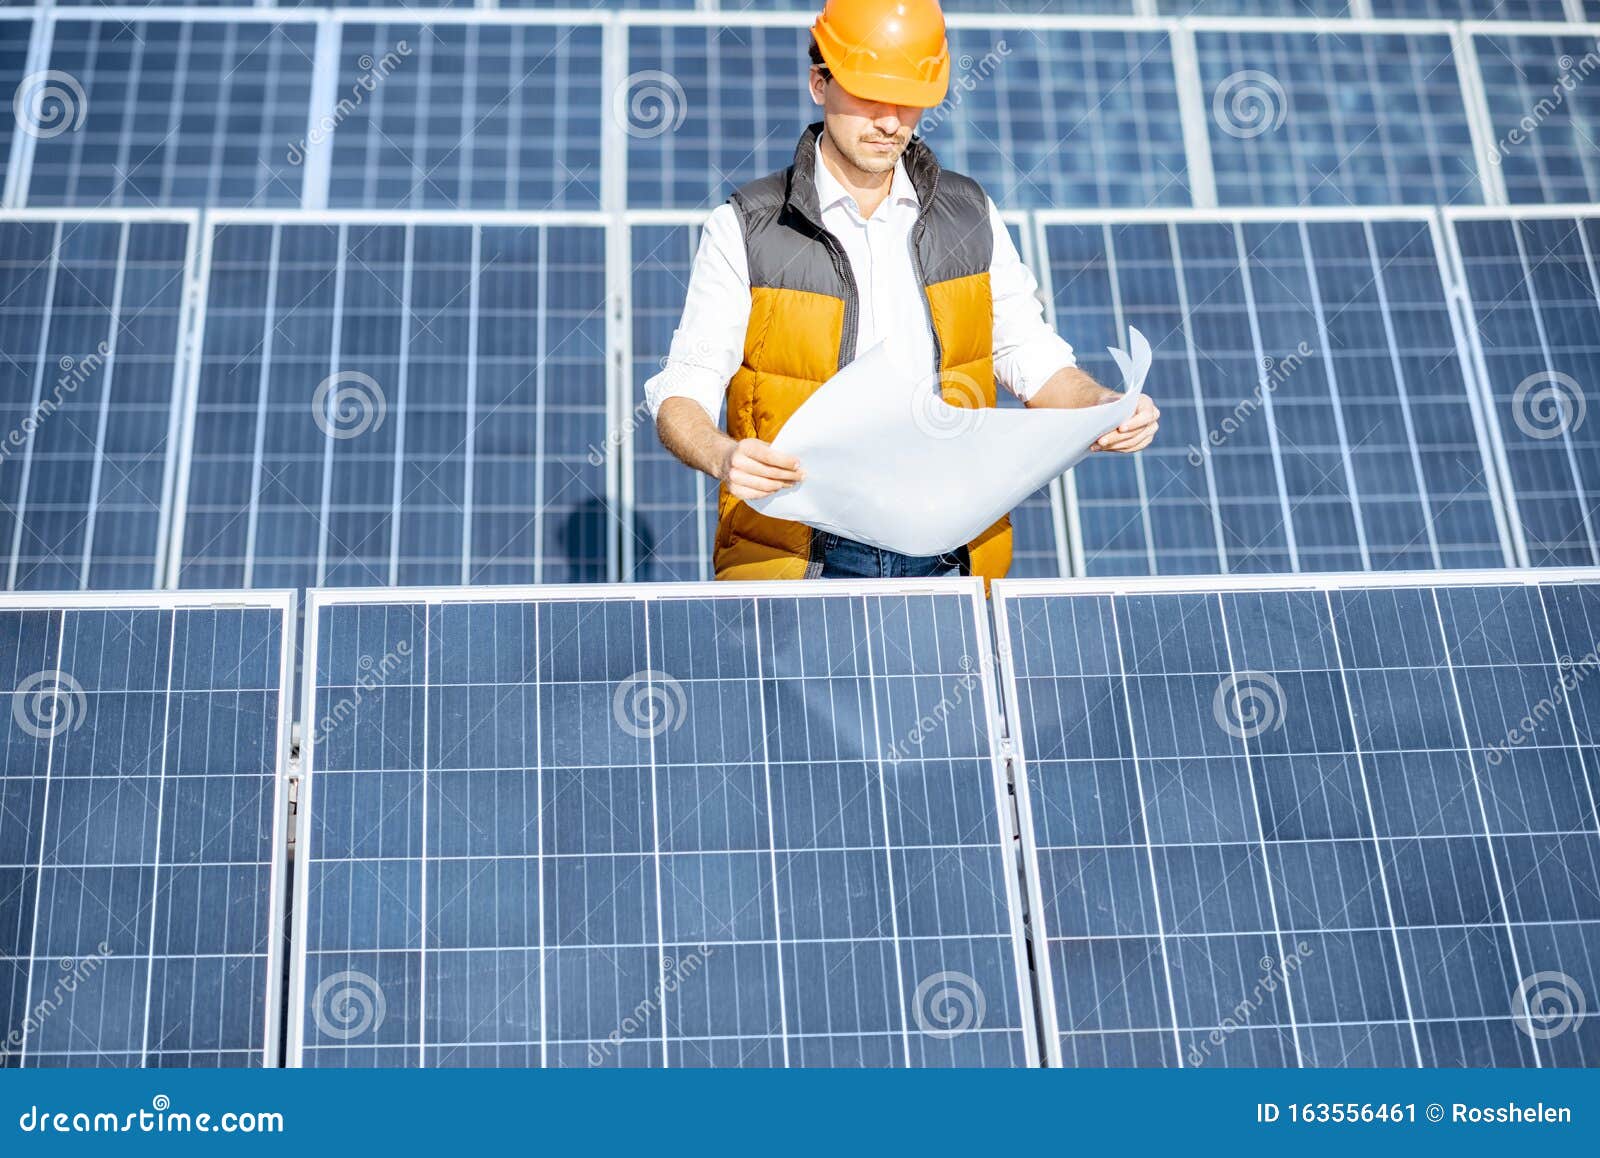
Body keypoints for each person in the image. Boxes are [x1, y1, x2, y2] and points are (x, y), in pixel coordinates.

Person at [645, 0, 1159, 582]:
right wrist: (723, 455)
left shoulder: (971, 214)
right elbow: (683, 386)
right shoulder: (746, 227)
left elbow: (1029, 354)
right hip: (800, 555)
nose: (891, 123)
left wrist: (1098, 407)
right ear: (819, 82)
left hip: (952, 554)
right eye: (869, 95)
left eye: (908, 100)